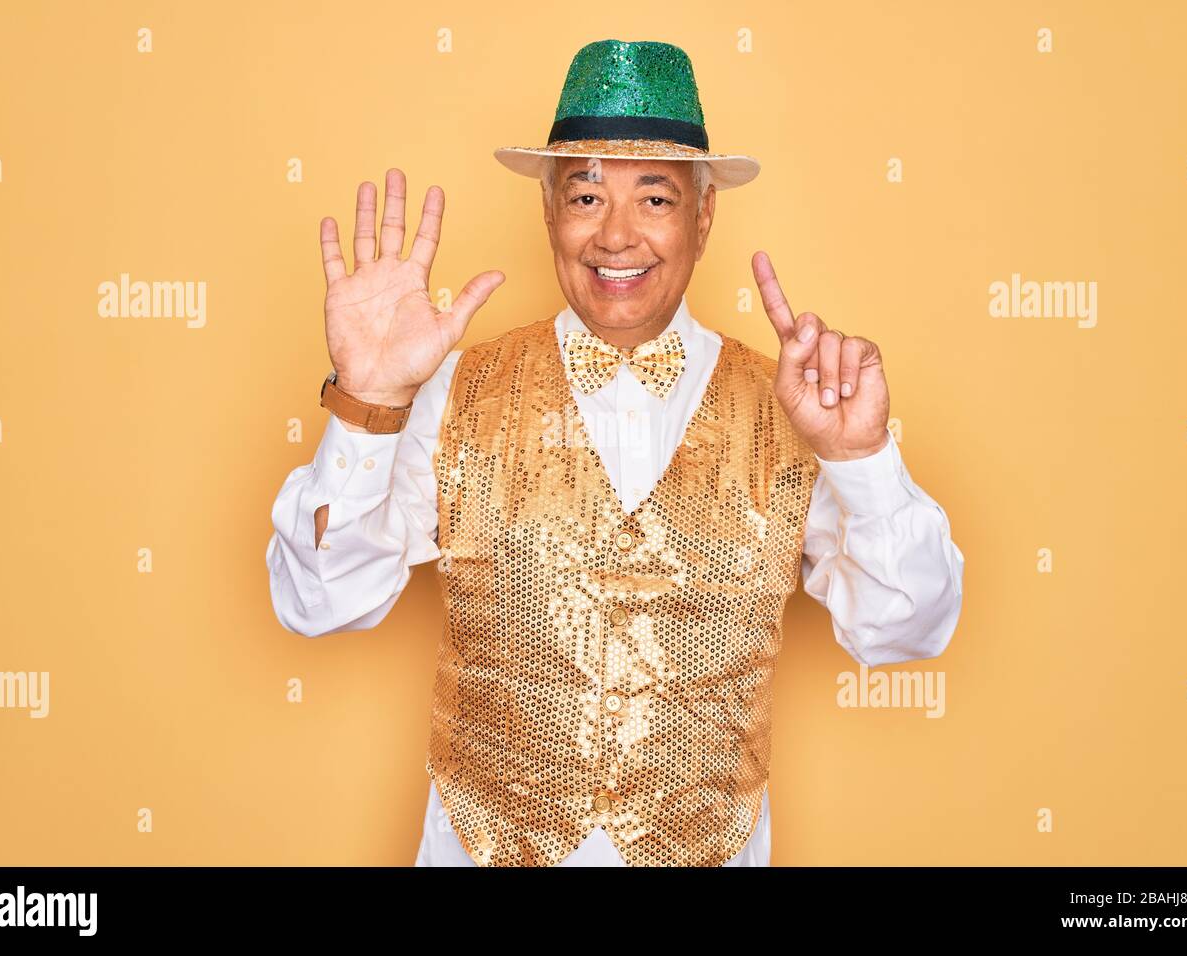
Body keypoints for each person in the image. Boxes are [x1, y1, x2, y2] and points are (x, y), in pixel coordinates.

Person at [266, 39, 965, 866]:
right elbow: (318, 605)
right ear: (549, 215)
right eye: (587, 195)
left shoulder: (797, 410)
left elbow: (909, 630)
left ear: (704, 216)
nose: (617, 236)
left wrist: (864, 461)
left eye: (657, 200)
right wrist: (369, 405)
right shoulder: (454, 392)